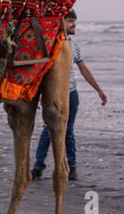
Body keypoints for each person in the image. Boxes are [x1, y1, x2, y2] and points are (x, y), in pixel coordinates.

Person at [32, 10, 106, 182]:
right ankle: (38, 166)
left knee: (68, 131)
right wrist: (35, 95)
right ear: (61, 22)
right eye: (71, 21)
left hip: (71, 93)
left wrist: (98, 90)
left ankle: (71, 166)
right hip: (52, 93)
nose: (74, 25)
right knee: (48, 131)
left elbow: (83, 68)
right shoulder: (50, 42)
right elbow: (40, 70)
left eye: (75, 21)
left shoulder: (74, 43)